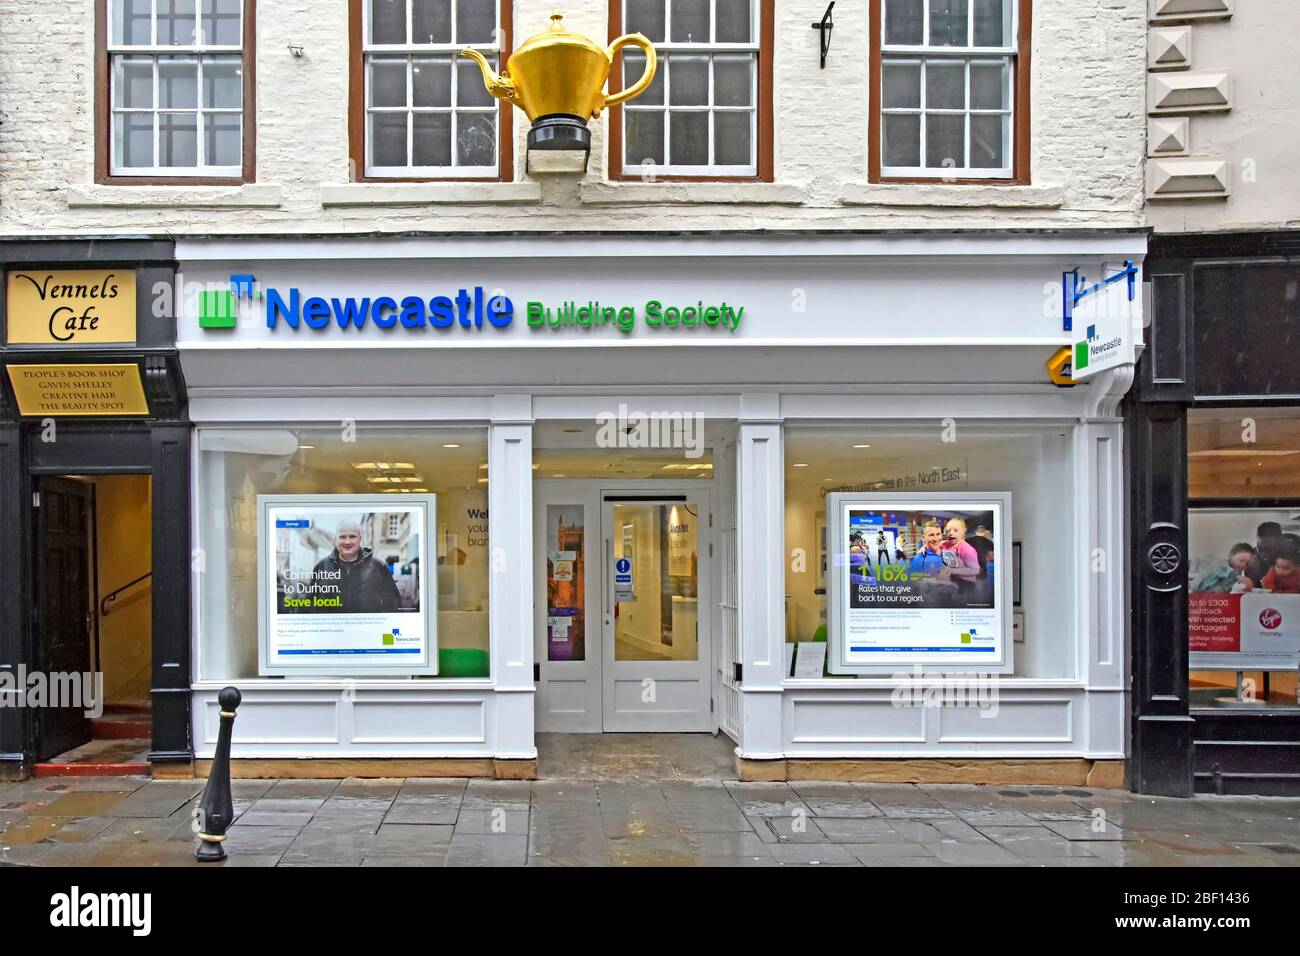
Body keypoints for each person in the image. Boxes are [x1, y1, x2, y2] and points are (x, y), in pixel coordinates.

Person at [312, 521, 402, 613]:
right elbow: (309, 606)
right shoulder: (322, 567)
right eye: (342, 537)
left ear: (360, 539)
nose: (347, 542)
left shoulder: (377, 567)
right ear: (336, 540)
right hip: (333, 627)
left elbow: (394, 604)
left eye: (352, 537)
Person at [1243, 522, 1284, 588]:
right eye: (1261, 549)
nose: (1264, 554)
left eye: (1269, 549)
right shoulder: (1250, 558)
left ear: (1279, 542)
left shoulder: (1291, 557)